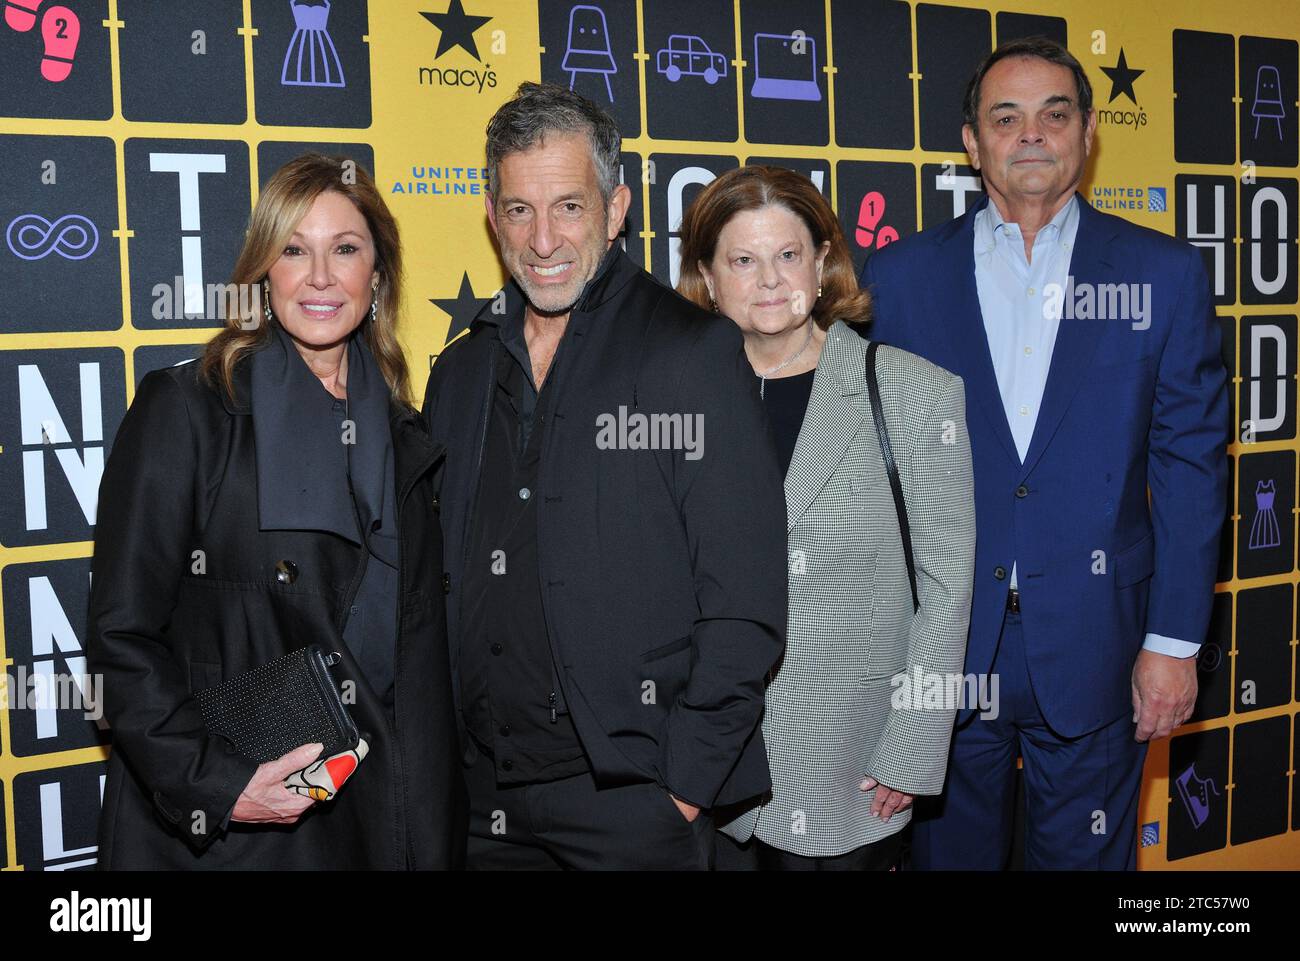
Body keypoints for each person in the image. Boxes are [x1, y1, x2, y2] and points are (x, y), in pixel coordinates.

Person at [860, 37, 1229, 870]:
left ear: (1089, 132)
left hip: (1103, 643)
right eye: (1006, 117)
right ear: (973, 142)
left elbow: (1191, 466)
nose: (1031, 134)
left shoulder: (1162, 274)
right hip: (944, 649)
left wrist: (1173, 644)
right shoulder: (901, 277)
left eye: (1053, 114)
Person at [421, 83, 787, 870]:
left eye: (570, 207)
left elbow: (746, 601)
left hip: (632, 803)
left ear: (617, 208)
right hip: (484, 805)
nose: (543, 238)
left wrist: (681, 789)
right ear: (492, 217)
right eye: (519, 209)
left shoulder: (691, 353)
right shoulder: (458, 374)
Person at [88, 154, 466, 869]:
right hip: (247, 836)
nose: (321, 276)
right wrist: (221, 784)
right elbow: (120, 637)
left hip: (389, 828)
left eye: (345, 249)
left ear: (377, 276)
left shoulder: (409, 433)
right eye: (295, 249)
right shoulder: (192, 413)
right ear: (265, 273)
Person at [676, 165, 974, 870]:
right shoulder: (678, 401)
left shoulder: (910, 391)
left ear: (823, 262)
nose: (770, 279)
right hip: (706, 768)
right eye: (743, 260)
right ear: (709, 280)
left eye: (788, 254)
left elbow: (949, 586)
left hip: (846, 764)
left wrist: (913, 745)